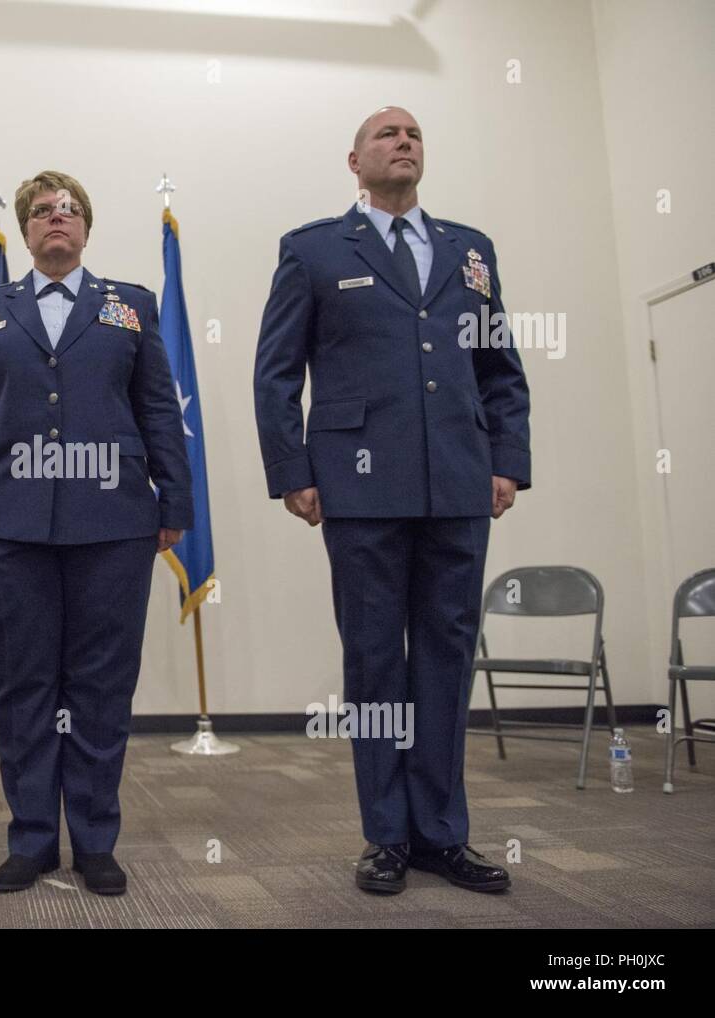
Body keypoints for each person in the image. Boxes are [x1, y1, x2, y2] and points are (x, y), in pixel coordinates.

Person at [253, 106, 531, 895]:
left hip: (458, 483)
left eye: (414, 134)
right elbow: (276, 372)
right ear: (354, 161)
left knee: (445, 657)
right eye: (387, 134)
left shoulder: (468, 251)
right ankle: (386, 835)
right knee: (376, 660)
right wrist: (293, 471)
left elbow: (499, 366)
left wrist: (507, 458)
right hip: (359, 483)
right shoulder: (311, 250)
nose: (404, 141)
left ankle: (442, 833)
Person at [0, 170, 192, 896]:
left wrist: (177, 499)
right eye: (44, 211)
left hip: (112, 522)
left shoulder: (130, 306)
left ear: (87, 228)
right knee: (21, 684)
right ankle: (33, 838)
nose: (58, 219)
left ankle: (97, 839)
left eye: (71, 210)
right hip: (5, 523)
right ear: (25, 228)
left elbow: (160, 413)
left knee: (101, 685)